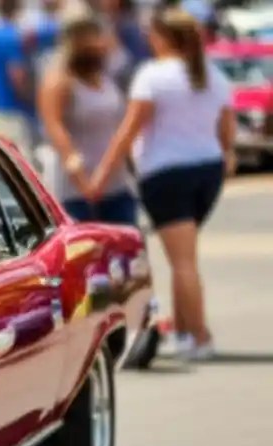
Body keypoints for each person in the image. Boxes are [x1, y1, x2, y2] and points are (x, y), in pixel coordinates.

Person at [91, 8, 236, 360]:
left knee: (183, 261)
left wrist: (101, 176)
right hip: (207, 170)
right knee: (181, 257)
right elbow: (227, 131)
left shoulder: (153, 77)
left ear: (163, 37)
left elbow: (128, 131)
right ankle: (185, 331)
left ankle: (200, 337)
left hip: (167, 175)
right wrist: (226, 158)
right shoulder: (213, 75)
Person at [37, 9, 137, 225]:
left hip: (116, 185)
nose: (100, 44)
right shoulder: (60, 81)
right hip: (77, 192)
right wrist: (83, 182)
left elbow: (120, 126)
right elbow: (55, 129)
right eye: (91, 37)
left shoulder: (105, 78)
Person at [0, 0, 37, 156]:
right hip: (14, 110)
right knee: (22, 159)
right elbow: (17, 76)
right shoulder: (10, 36)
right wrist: (31, 99)